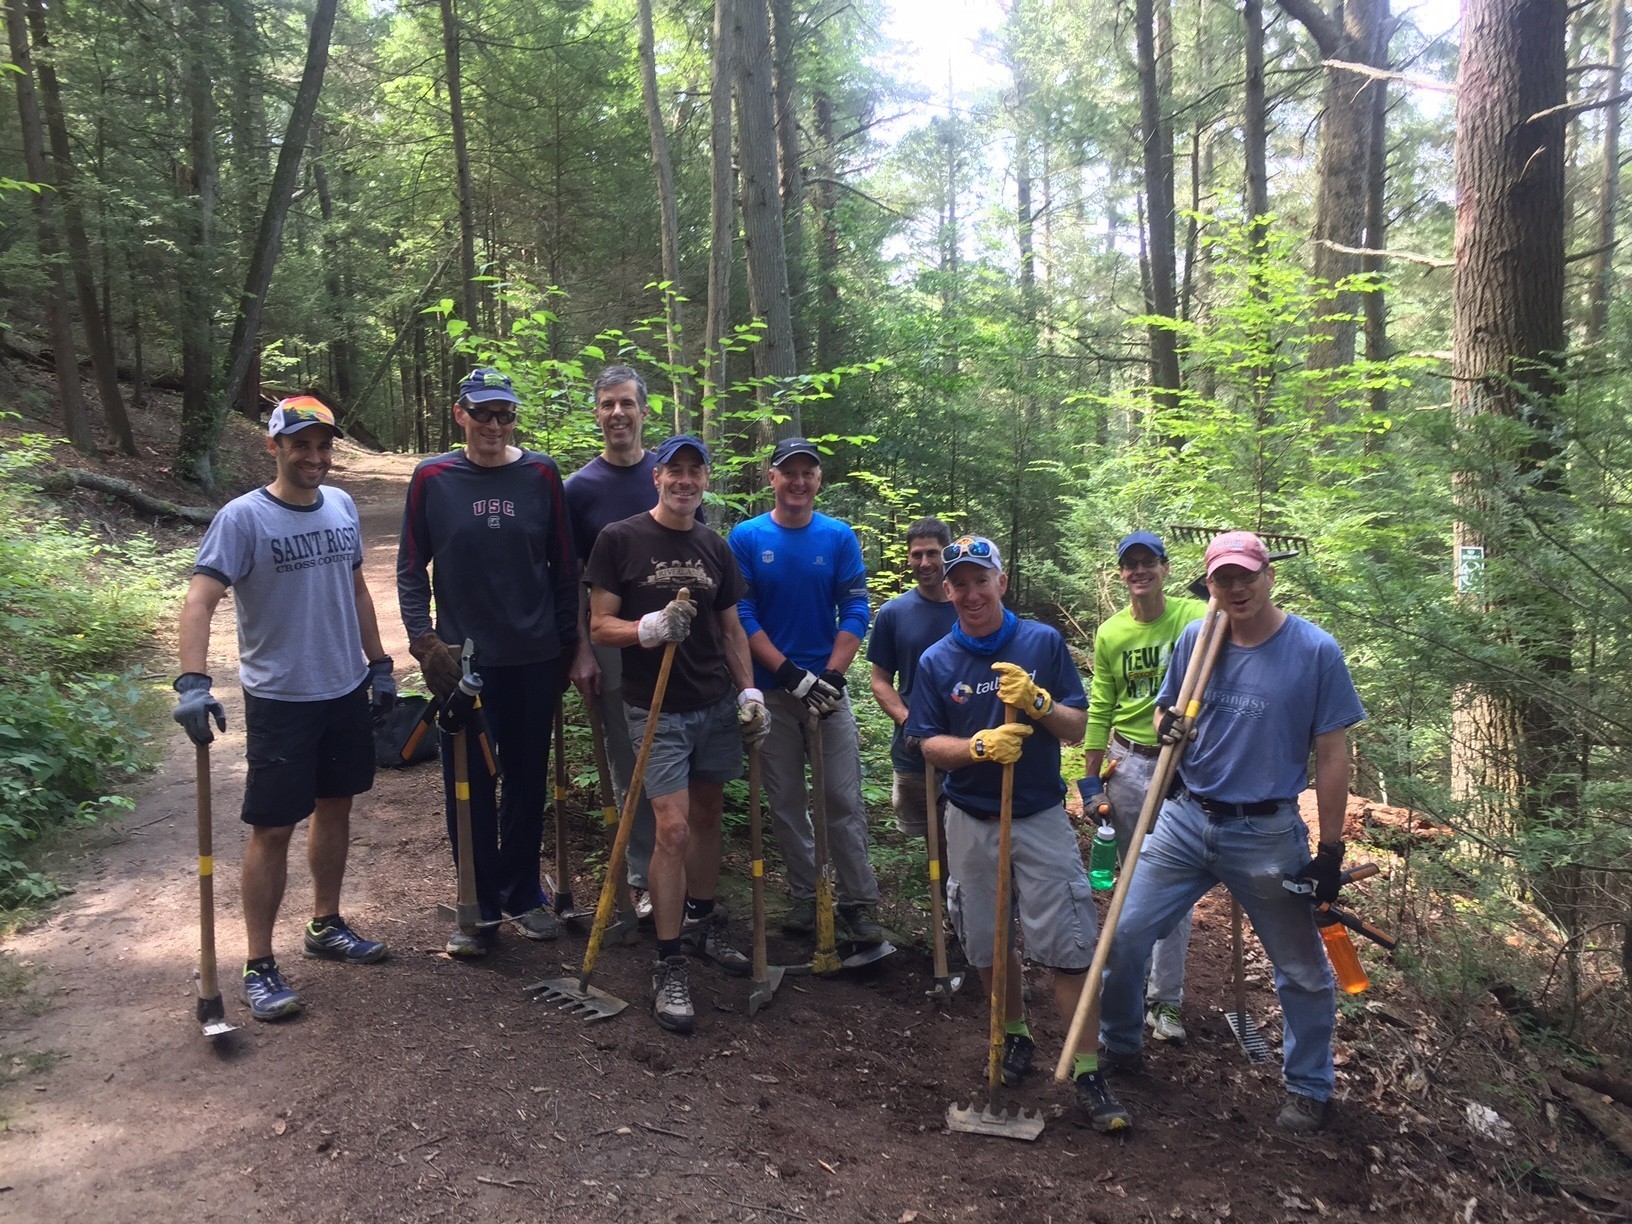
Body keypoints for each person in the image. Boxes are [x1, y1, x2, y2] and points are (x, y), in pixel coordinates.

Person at [1097, 531, 1365, 1134]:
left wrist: (1330, 847)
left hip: (1266, 830)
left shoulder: (1314, 650)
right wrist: (1169, 726)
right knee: (1124, 933)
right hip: (1186, 817)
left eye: (1247, 576)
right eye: (1224, 579)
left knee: (1300, 969)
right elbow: (1168, 708)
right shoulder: (1199, 638)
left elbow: (1330, 753)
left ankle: (1309, 1086)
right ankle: (1121, 1043)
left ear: (1269, 575)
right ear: (1208, 583)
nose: (1236, 588)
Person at [173, 396, 394, 1022]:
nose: (315, 457)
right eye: (302, 445)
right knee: (272, 827)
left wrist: (378, 664)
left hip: (343, 687)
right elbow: (199, 601)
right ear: (275, 447)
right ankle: (260, 963)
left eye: (324, 446)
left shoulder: (343, 506)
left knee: (336, 805)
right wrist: (192, 680)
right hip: (280, 698)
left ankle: (325, 924)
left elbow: (354, 588)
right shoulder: (243, 519)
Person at [908, 535, 1130, 1132]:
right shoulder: (936, 662)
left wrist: (1036, 702)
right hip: (970, 819)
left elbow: (1078, 723)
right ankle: (1012, 1034)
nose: (971, 592)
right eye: (960, 583)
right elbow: (929, 743)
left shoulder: (1040, 643)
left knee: (1066, 941)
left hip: (1037, 817)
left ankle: (1087, 1068)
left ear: (1002, 582)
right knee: (986, 941)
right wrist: (978, 746)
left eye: (982, 580)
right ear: (947, 590)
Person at [584, 434, 768, 1033]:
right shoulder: (621, 539)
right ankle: (667, 962)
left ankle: (702, 922)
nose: (685, 481)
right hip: (654, 708)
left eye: (696, 472)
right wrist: (649, 626)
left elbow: (732, 629)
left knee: (708, 816)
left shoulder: (715, 546)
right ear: (657, 477)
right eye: (675, 471)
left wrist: (748, 691)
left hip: (713, 702)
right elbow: (600, 625)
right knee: (672, 828)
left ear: (704, 481)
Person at [397, 367, 579, 956]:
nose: (495, 425)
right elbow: (409, 566)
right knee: (467, 783)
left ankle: (524, 893)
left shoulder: (541, 473)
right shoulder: (433, 477)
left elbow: (564, 567)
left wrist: (567, 647)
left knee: (527, 779)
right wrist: (425, 643)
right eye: (483, 414)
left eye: (505, 414)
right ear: (460, 415)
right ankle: (476, 904)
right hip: (463, 662)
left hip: (533, 656)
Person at [728, 438, 883, 944]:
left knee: (840, 797)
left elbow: (855, 606)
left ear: (818, 480)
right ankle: (805, 896)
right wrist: (786, 672)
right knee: (787, 801)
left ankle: (858, 903)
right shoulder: (746, 537)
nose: (798, 481)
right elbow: (741, 614)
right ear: (771, 478)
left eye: (808, 473)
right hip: (774, 691)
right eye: (788, 472)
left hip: (828, 695)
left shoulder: (838, 537)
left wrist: (833, 677)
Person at [1082, 531, 1208, 1043]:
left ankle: (1168, 999)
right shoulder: (1111, 633)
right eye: (1129, 565)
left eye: (1148, 562)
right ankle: (1127, 989)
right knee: (1131, 880)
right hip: (1129, 762)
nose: (1139, 571)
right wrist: (1091, 779)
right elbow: (1101, 705)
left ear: (1165, 567)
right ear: (1120, 573)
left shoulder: (1191, 619)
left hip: (1185, 763)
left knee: (1172, 884)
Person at [564, 366, 664, 922]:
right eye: (607, 405)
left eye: (627, 403)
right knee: (630, 761)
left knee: (678, 754)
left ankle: (685, 874)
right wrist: (579, 650)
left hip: (677, 645)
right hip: (608, 641)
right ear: (597, 413)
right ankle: (642, 876)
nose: (617, 414)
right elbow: (569, 578)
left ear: (643, 411)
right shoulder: (579, 490)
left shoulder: (669, 474)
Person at [867, 517, 957, 857]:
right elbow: (880, 681)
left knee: (968, 836)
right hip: (913, 751)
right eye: (916, 555)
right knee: (933, 842)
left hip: (967, 747)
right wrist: (909, 720)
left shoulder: (971, 606)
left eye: (932, 553)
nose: (924, 563)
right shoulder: (894, 613)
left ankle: (962, 907)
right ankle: (944, 908)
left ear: (946, 554)